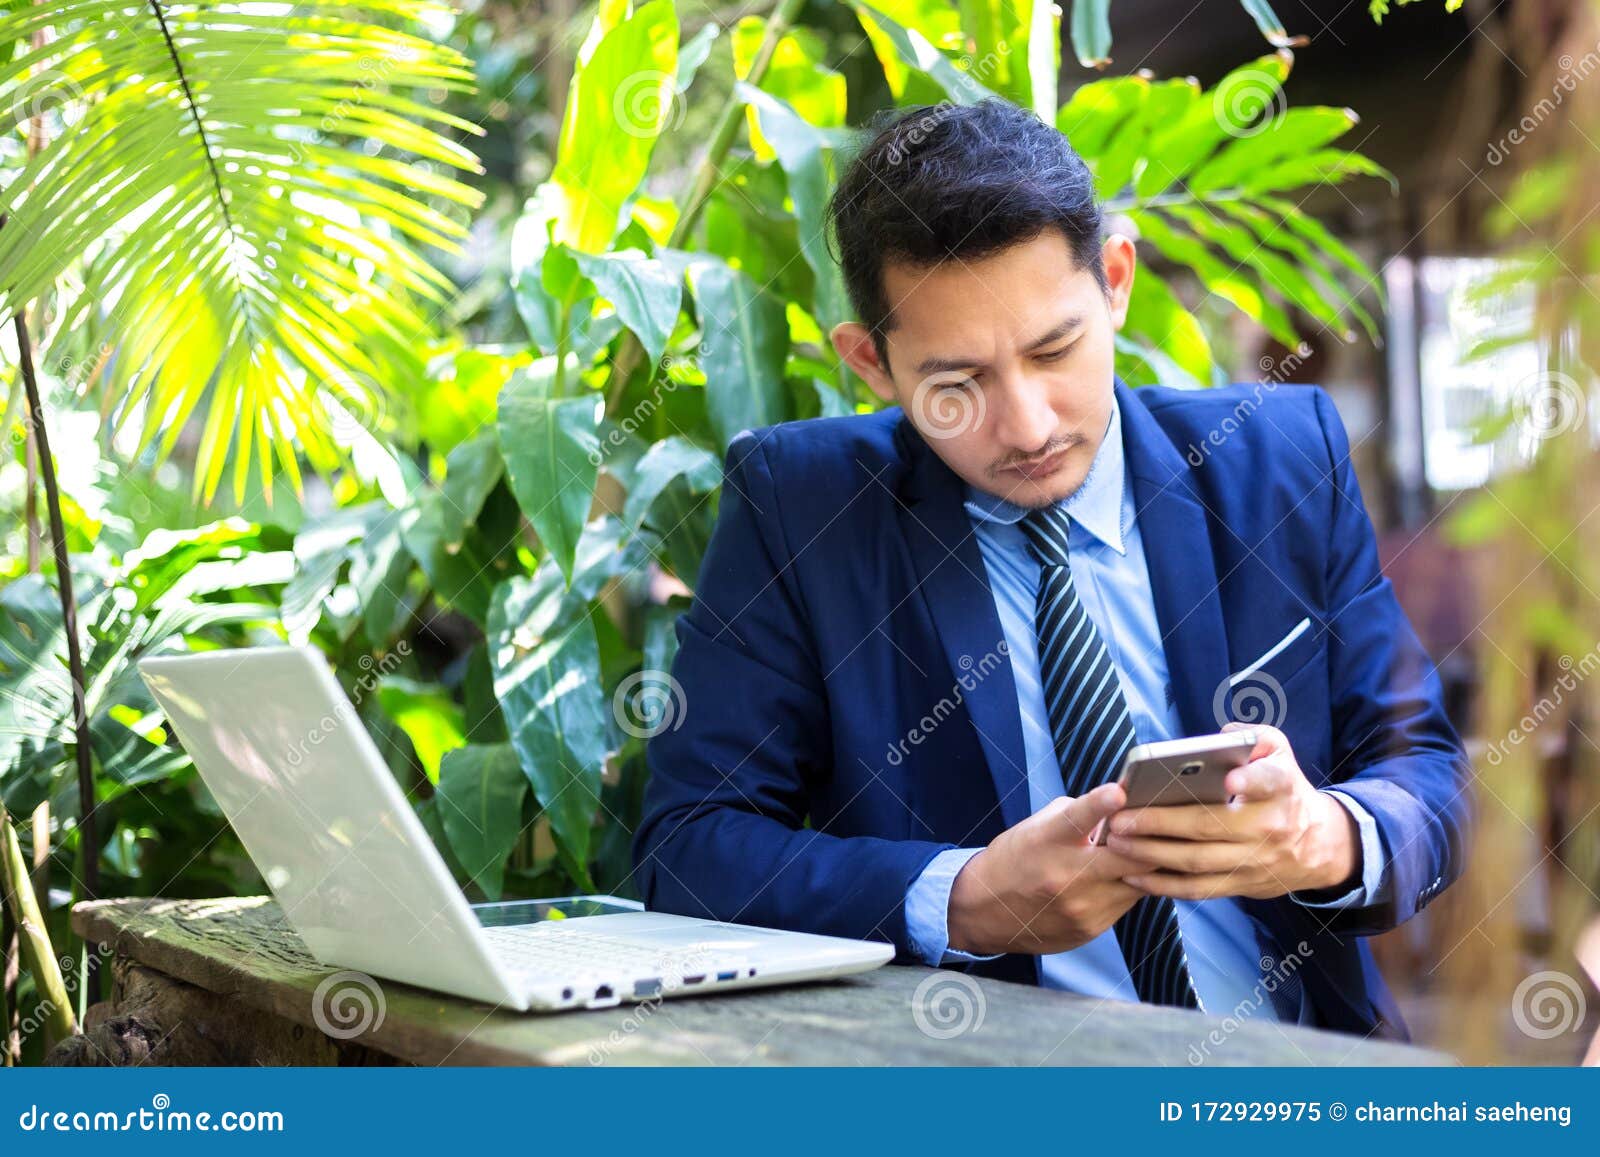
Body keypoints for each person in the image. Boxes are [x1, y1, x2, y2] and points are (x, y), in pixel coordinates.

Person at [631, 99, 1470, 1039]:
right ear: (872, 364)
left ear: (1115, 280)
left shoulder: (1276, 461)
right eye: (957, 384)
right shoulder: (801, 511)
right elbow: (687, 847)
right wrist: (961, 898)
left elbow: (1429, 775)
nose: (1027, 426)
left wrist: (1320, 836)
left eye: (1054, 350)